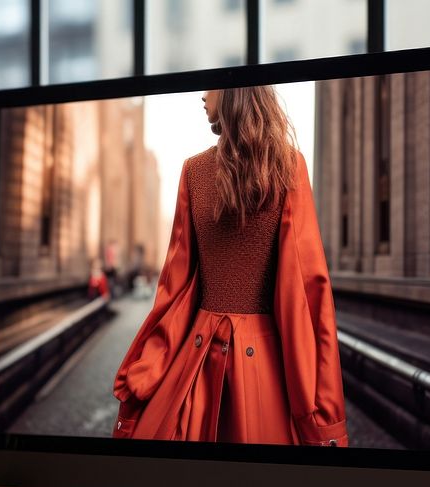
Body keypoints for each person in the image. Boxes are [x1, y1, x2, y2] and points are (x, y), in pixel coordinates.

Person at [112, 86, 348, 446]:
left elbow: (173, 289)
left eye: (210, 85)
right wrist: (325, 418)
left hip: (195, 365)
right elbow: (309, 291)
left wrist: (144, 370)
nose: (201, 95)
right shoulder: (287, 164)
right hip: (267, 371)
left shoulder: (194, 171)